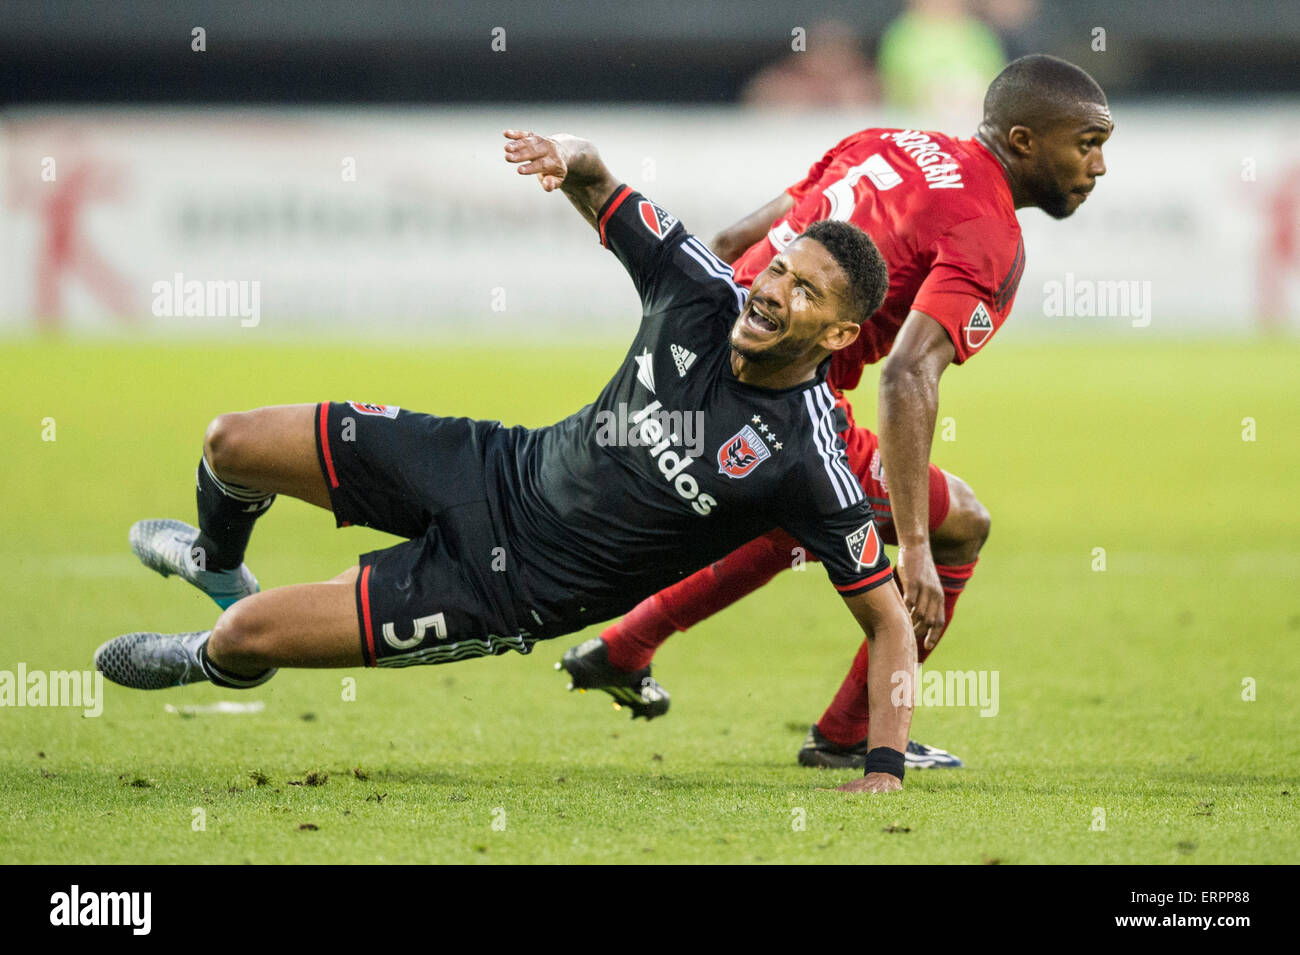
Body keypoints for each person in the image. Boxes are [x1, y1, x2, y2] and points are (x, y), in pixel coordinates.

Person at [94, 129, 918, 793]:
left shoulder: (810, 457)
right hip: (486, 464)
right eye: (779, 266)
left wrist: (883, 769)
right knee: (230, 442)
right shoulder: (701, 294)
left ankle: (209, 654)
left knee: (246, 634)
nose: (773, 289)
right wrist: (569, 158)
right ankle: (215, 558)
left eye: (805, 292)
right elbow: (599, 182)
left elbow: (888, 622)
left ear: (843, 335)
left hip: (505, 588)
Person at [560, 54, 1112, 771]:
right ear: (1024, 139)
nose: (1099, 165)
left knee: (800, 512)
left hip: (704, 361)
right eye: (1089, 142)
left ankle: (623, 646)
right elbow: (911, 371)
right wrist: (913, 545)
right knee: (960, 524)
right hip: (781, 399)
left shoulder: (884, 141)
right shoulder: (989, 231)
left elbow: (728, 247)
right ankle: (852, 734)